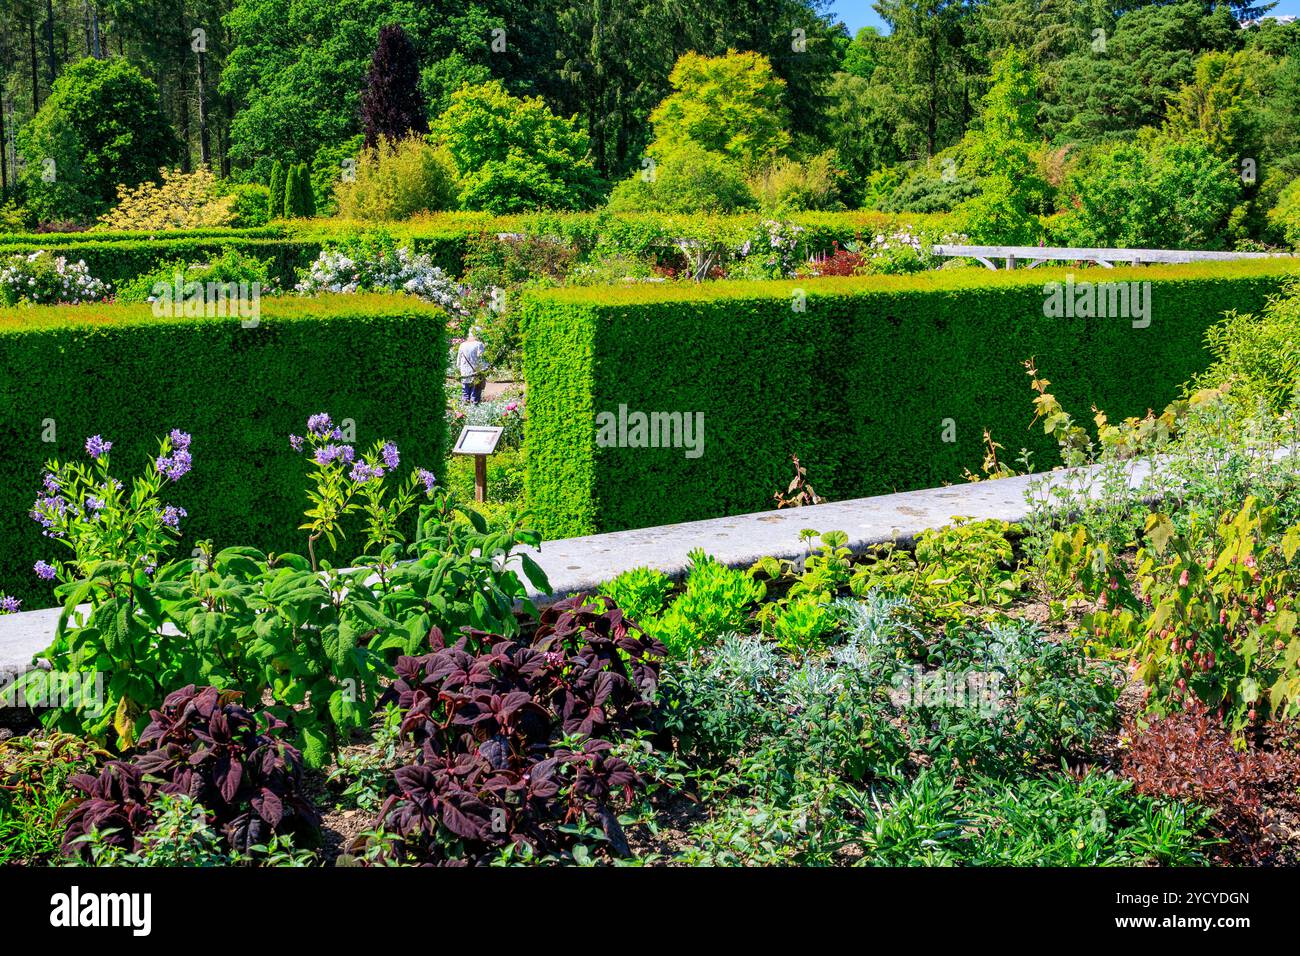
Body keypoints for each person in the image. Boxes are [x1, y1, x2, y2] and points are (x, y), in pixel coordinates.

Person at [456, 328, 488, 404]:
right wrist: (485, 368)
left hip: (464, 372)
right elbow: (481, 359)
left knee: (465, 392)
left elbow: (458, 360)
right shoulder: (479, 344)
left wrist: (460, 369)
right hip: (475, 371)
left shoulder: (462, 345)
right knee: (475, 392)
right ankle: (474, 407)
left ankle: (464, 409)